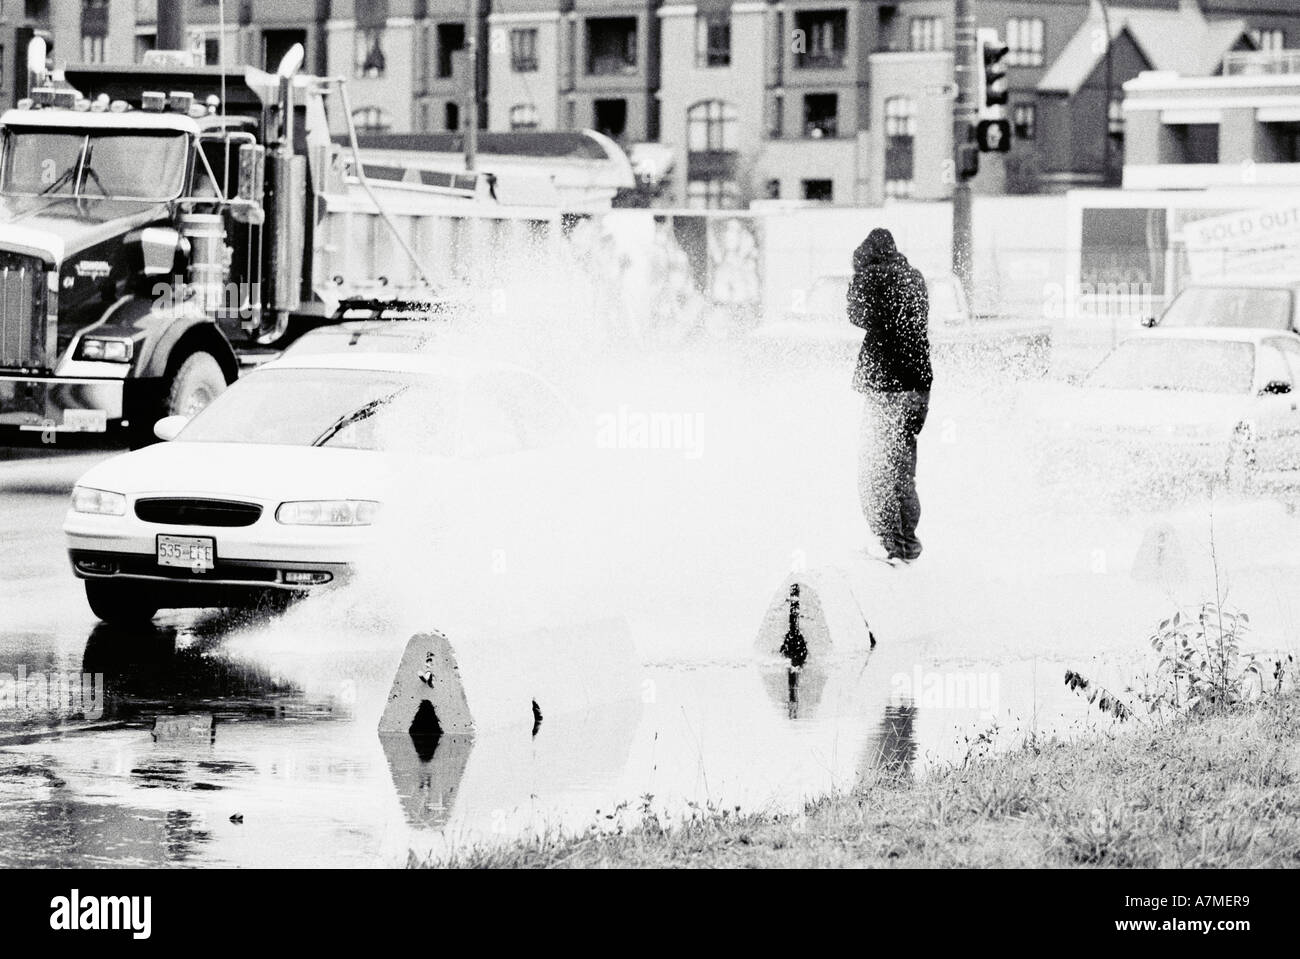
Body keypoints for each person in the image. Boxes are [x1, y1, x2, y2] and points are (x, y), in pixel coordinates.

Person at [847, 228, 932, 563]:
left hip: (887, 388)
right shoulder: (915, 277)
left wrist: (858, 278)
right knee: (902, 467)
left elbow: (858, 316)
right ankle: (908, 543)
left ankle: (888, 543)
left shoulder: (873, 276)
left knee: (874, 466)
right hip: (918, 387)